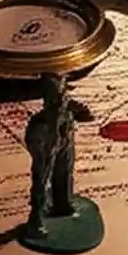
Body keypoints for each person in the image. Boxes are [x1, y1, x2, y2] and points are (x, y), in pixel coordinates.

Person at [23, 74, 90, 237]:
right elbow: (32, 138)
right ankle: (35, 221)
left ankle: (63, 204)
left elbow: (84, 114)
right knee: (42, 182)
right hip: (47, 145)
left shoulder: (66, 109)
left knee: (64, 172)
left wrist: (79, 112)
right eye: (58, 95)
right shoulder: (42, 121)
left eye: (63, 92)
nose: (62, 98)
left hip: (64, 142)